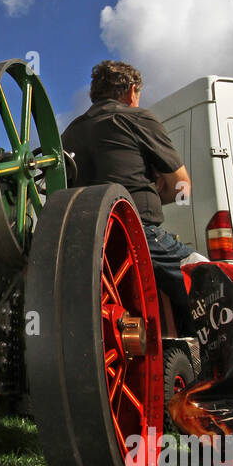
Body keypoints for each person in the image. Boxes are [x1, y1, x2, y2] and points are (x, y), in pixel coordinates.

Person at [61, 60, 195, 332]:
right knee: (204, 279)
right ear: (131, 91)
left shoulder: (69, 132)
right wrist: (160, 193)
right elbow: (183, 187)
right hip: (137, 236)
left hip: (85, 242)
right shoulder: (138, 118)